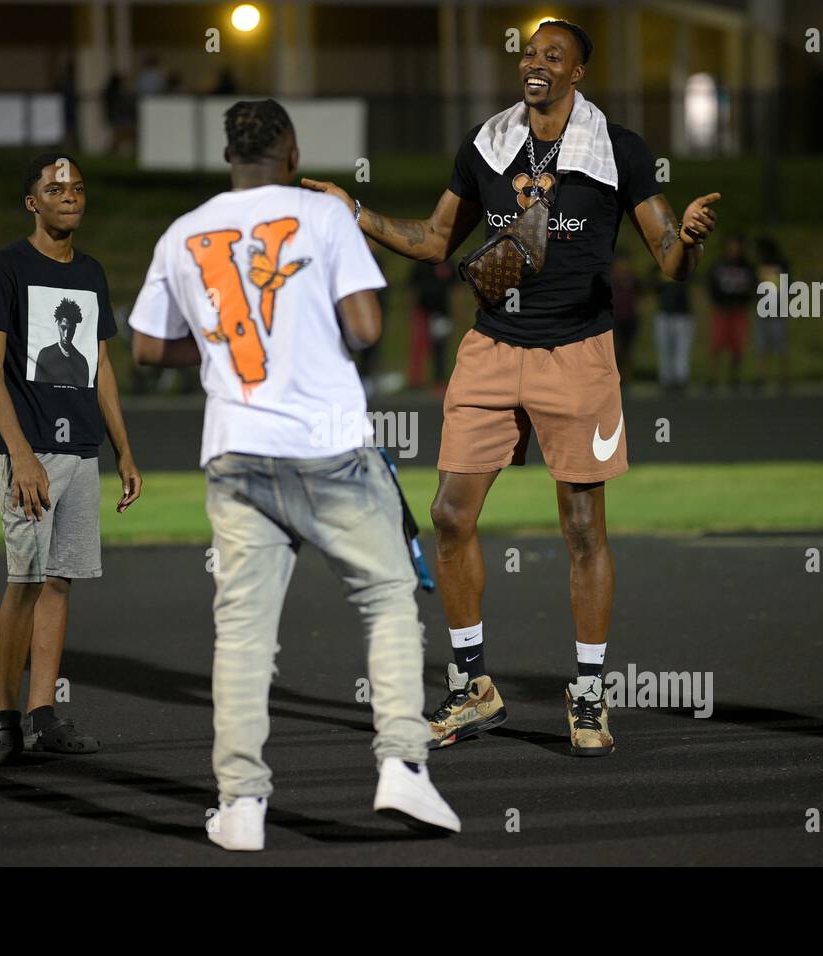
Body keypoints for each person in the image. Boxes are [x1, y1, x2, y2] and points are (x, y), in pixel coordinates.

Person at [304, 19, 720, 755]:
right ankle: (474, 687)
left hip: (577, 355)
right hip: (492, 348)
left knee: (584, 529)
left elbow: (665, 257)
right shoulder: (487, 142)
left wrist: (684, 239)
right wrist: (356, 213)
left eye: (552, 56)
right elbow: (437, 241)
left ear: (578, 73)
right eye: (529, 52)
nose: (535, 63)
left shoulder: (617, 149)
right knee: (450, 513)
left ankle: (588, 696)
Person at [129, 99, 460, 851]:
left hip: (237, 450)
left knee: (244, 633)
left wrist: (215, 354)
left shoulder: (183, 231)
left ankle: (241, 804)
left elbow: (147, 349)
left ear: (227, 158)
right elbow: (368, 328)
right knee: (385, 598)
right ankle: (403, 763)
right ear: (292, 151)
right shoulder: (323, 213)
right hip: (327, 444)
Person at [0, 152, 141, 766]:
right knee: (22, 581)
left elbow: (102, 372)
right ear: (32, 202)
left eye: (76, 187)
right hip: (31, 453)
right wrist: (19, 454)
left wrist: (123, 449)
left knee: (59, 581)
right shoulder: (4, 267)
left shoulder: (91, 273)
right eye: (55, 187)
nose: (69, 195)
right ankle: (4, 721)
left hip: (80, 451)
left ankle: (43, 716)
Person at [706, 233, 755, 392]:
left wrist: (744, 302)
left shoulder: (746, 266)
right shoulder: (719, 265)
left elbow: (752, 287)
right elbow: (711, 285)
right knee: (717, 344)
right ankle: (713, 377)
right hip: (721, 310)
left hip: (738, 310)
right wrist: (717, 302)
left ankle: (734, 377)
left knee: (737, 346)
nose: (734, 249)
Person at [407, 259, 456, 392]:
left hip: (441, 311)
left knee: (440, 347)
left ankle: (439, 380)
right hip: (423, 310)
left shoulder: (447, 260)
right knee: (419, 345)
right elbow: (412, 282)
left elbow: (455, 281)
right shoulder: (422, 261)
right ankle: (415, 379)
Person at [752, 236, 790, 393]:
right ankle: (761, 375)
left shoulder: (781, 265)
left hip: (778, 311)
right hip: (763, 311)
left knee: (780, 345)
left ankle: (783, 376)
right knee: (762, 346)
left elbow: (787, 285)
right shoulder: (759, 267)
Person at [652, 267, 694, 393]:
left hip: (683, 314)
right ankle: (666, 379)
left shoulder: (686, 258)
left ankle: (681, 378)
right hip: (664, 313)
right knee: (664, 349)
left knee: (682, 349)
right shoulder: (659, 262)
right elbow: (654, 287)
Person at [610, 251, 640, 380]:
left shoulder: (633, 279)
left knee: (628, 348)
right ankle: (616, 374)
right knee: (617, 348)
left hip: (630, 317)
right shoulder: (611, 278)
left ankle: (627, 376)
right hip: (615, 318)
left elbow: (639, 296)